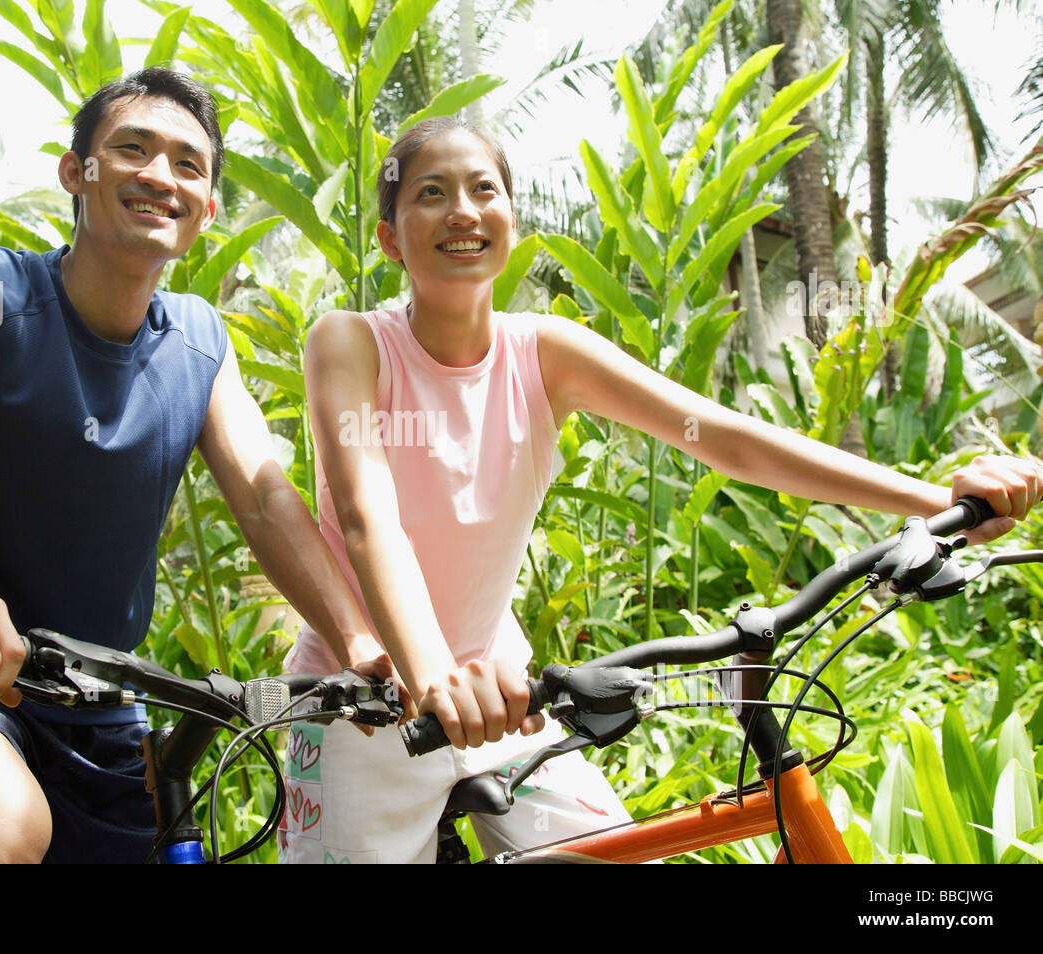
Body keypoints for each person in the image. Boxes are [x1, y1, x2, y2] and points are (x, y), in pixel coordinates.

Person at [278, 117, 1043, 864]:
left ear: (510, 220)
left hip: (506, 698)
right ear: (389, 236)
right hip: (364, 711)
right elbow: (364, 512)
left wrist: (931, 498)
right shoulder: (349, 343)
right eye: (431, 194)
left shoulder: (544, 353)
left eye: (484, 188)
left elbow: (723, 437)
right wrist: (432, 677)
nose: (463, 210)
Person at [0, 68, 386, 864]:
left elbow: (266, 499)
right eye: (131, 150)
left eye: (188, 164)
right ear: (76, 172)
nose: (159, 175)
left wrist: (357, 644)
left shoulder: (200, 344)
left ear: (208, 211)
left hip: (107, 708)